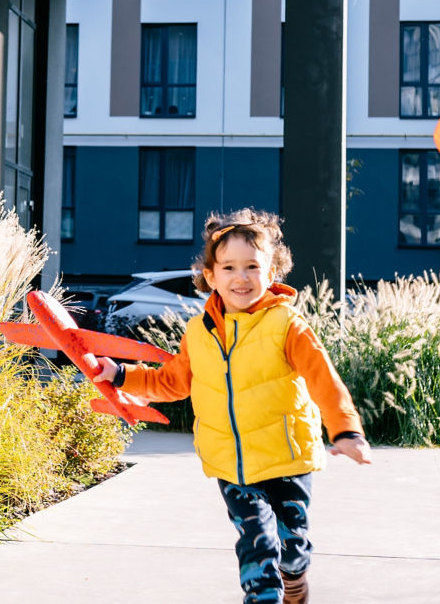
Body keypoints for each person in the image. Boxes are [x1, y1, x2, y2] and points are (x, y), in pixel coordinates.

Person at [95, 208, 370, 604]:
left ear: (271, 271)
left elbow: (323, 378)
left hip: (287, 458)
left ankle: (295, 578)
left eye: (252, 267)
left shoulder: (286, 325)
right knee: (256, 548)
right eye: (228, 267)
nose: (240, 277)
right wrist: (121, 375)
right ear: (211, 276)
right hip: (233, 465)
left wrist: (346, 431)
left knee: (292, 549)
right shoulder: (199, 332)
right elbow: (171, 382)